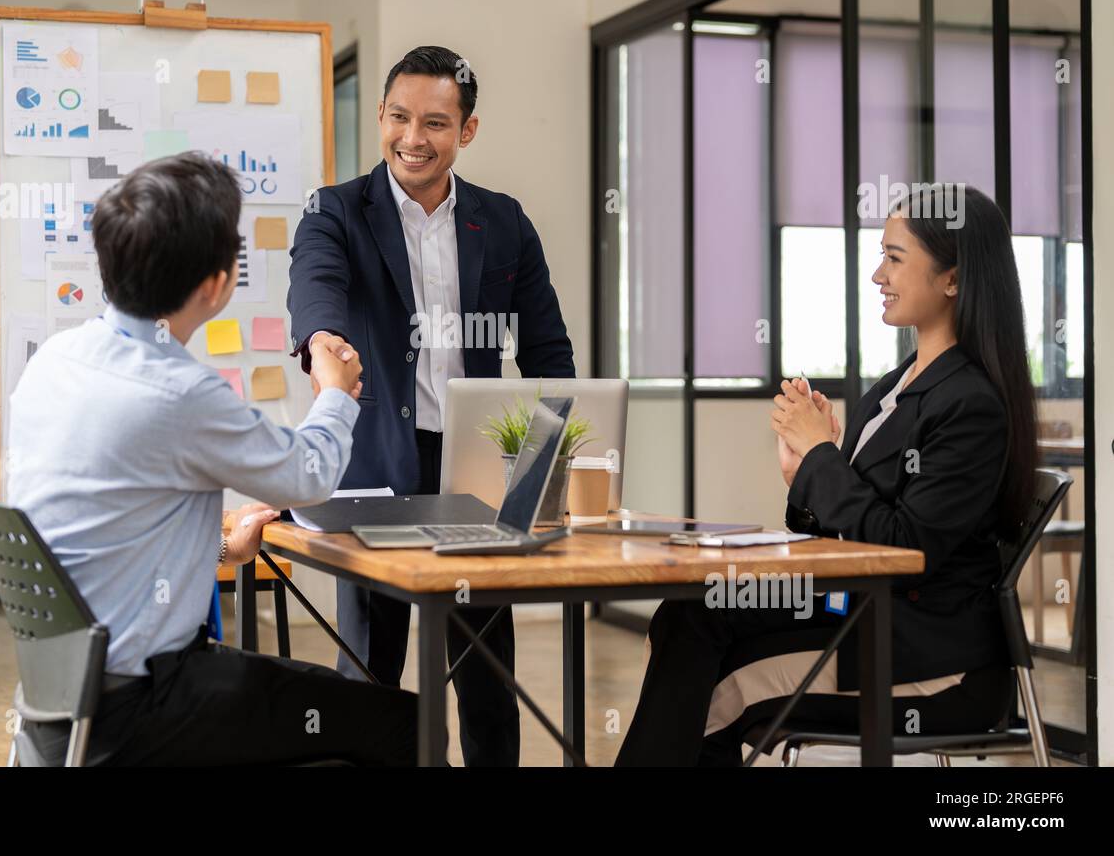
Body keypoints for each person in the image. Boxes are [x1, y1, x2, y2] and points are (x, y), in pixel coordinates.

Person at [8, 153, 416, 766]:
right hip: (145, 703)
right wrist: (334, 392)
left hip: (62, 699)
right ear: (217, 284)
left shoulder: (54, 362)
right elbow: (308, 474)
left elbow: (94, 537)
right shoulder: (178, 390)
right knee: (403, 722)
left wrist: (222, 550)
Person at [617, 185, 1032, 766]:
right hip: (862, 616)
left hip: (930, 663)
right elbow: (852, 532)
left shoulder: (971, 405)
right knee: (692, 612)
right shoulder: (895, 386)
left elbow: (904, 549)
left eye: (894, 257)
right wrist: (805, 471)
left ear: (953, 280)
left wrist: (822, 459)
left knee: (710, 689)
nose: (876, 275)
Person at [287, 46, 575, 766]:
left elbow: (548, 355)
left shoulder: (504, 222)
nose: (413, 137)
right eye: (399, 117)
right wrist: (323, 342)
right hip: (376, 465)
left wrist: (546, 469)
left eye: (436, 123)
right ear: (381, 117)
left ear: (467, 131)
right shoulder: (336, 210)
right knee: (372, 673)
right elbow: (316, 290)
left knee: (486, 670)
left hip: (473, 468)